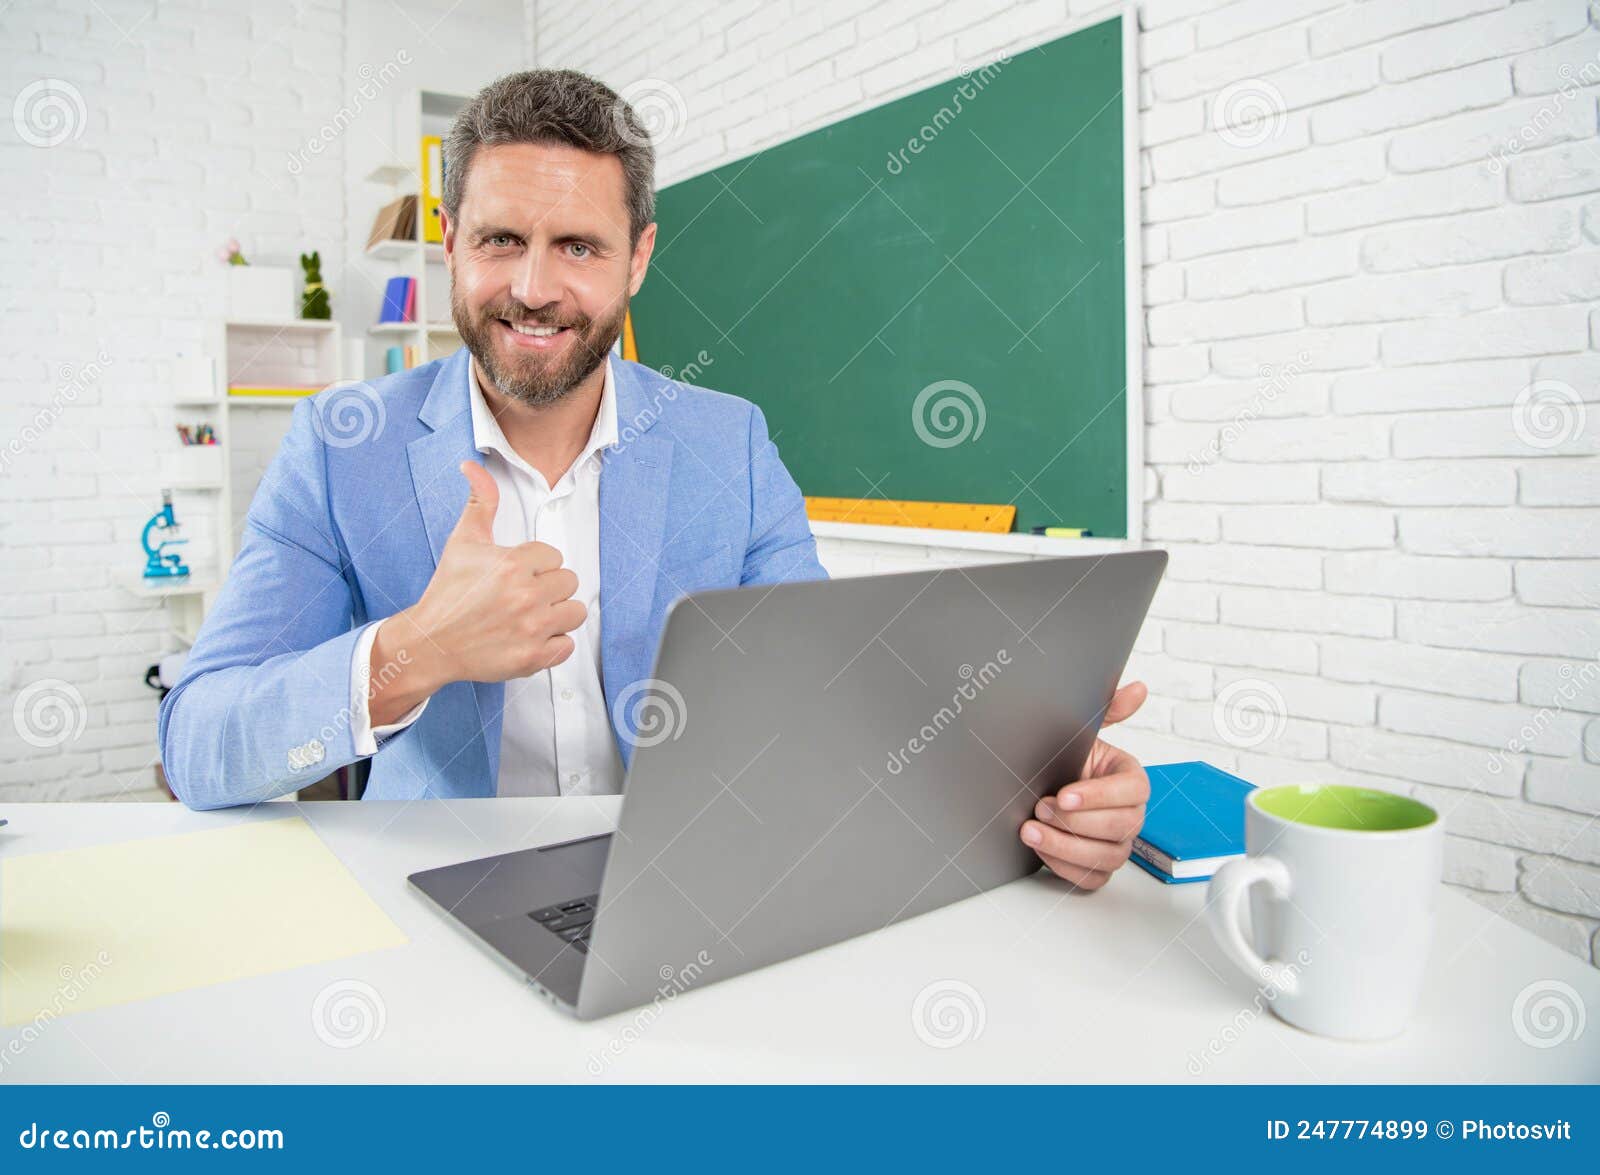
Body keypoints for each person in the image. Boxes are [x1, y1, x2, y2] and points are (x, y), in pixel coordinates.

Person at [159, 69, 1150, 892]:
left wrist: (1035, 785)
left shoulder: (730, 443)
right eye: (501, 239)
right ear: (451, 241)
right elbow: (197, 744)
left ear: (637, 259)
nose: (535, 288)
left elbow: (828, 700)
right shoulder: (340, 447)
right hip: (423, 902)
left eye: (578, 246)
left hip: (683, 894)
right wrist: (410, 653)